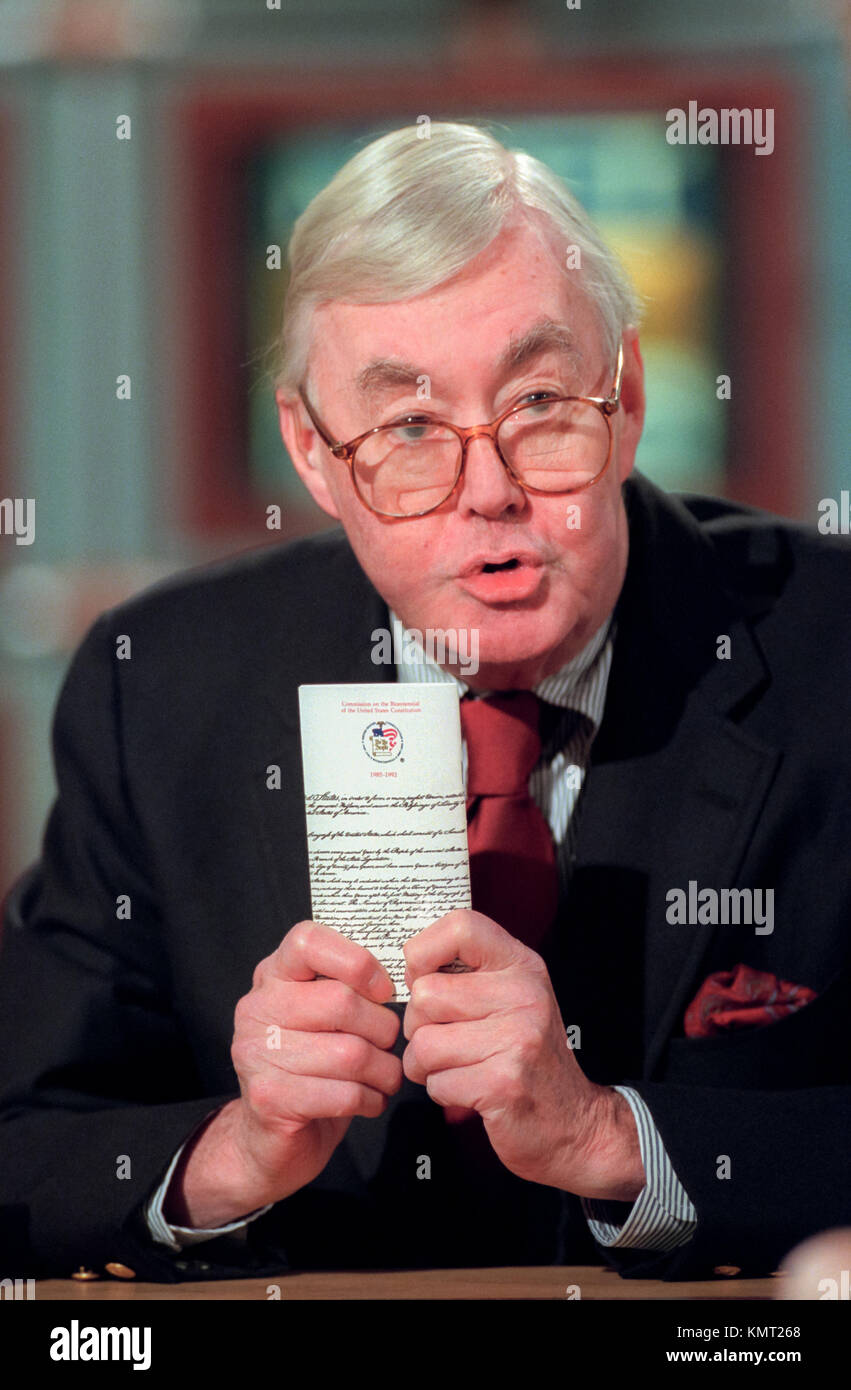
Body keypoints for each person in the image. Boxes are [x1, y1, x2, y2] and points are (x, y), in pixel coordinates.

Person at [0, 122, 849, 1285]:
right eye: (407, 429)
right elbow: (24, 1146)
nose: (488, 491)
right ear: (312, 452)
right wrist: (231, 1155)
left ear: (630, 396)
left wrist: (613, 1138)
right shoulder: (159, 684)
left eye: (540, 402)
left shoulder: (829, 650)